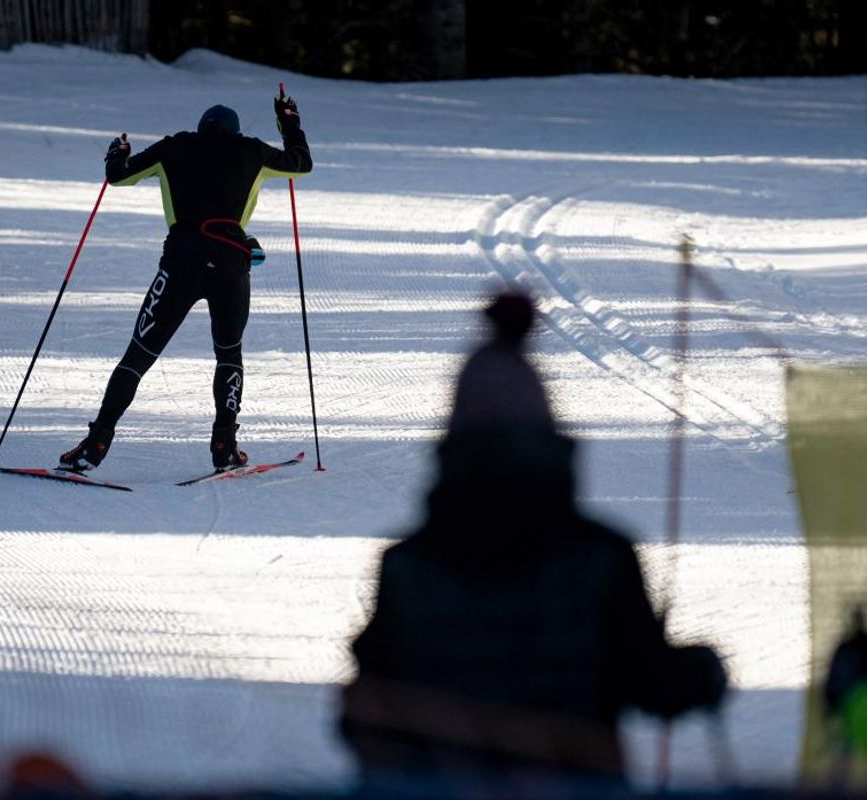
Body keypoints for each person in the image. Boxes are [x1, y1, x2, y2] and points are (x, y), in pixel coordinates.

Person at [339, 290, 728, 791]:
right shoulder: (602, 557)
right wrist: (701, 672)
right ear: (549, 444)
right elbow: (654, 684)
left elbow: (366, 714)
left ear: (453, 450)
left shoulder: (407, 566)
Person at [59, 93, 312, 473]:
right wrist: (289, 122)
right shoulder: (252, 151)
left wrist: (117, 151)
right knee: (229, 353)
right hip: (230, 265)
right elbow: (301, 164)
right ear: (235, 132)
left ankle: (96, 443)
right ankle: (224, 443)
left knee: (139, 355)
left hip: (181, 263)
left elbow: (118, 175)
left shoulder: (175, 146)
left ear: (201, 129)